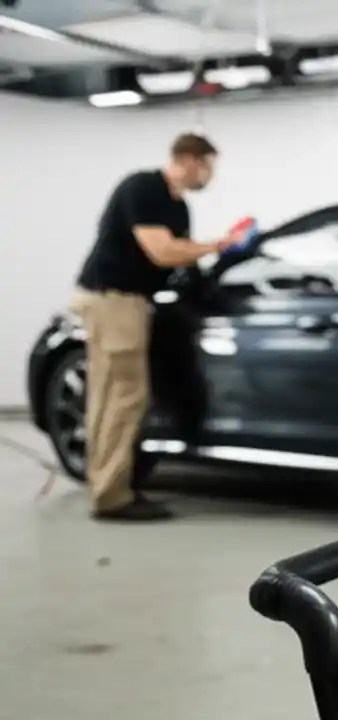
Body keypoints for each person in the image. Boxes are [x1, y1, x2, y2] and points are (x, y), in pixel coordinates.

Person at [71, 133, 243, 521]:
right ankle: (112, 496)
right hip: (113, 300)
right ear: (189, 159)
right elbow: (162, 252)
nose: (210, 176)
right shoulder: (143, 188)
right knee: (125, 397)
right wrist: (222, 245)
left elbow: (181, 261)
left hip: (125, 302)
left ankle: (103, 484)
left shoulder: (179, 207)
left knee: (107, 397)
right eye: (208, 166)